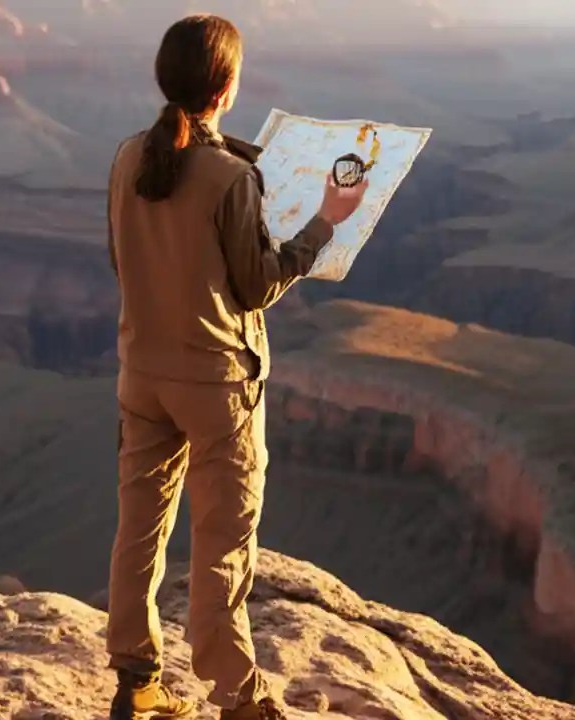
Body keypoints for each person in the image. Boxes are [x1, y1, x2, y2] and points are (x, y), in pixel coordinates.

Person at [104, 13, 368, 720]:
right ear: (225, 88)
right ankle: (239, 699)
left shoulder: (128, 157)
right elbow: (256, 286)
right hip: (217, 385)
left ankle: (137, 682)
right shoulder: (229, 178)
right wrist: (325, 223)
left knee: (139, 529)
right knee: (221, 542)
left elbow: (121, 258)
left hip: (141, 374)